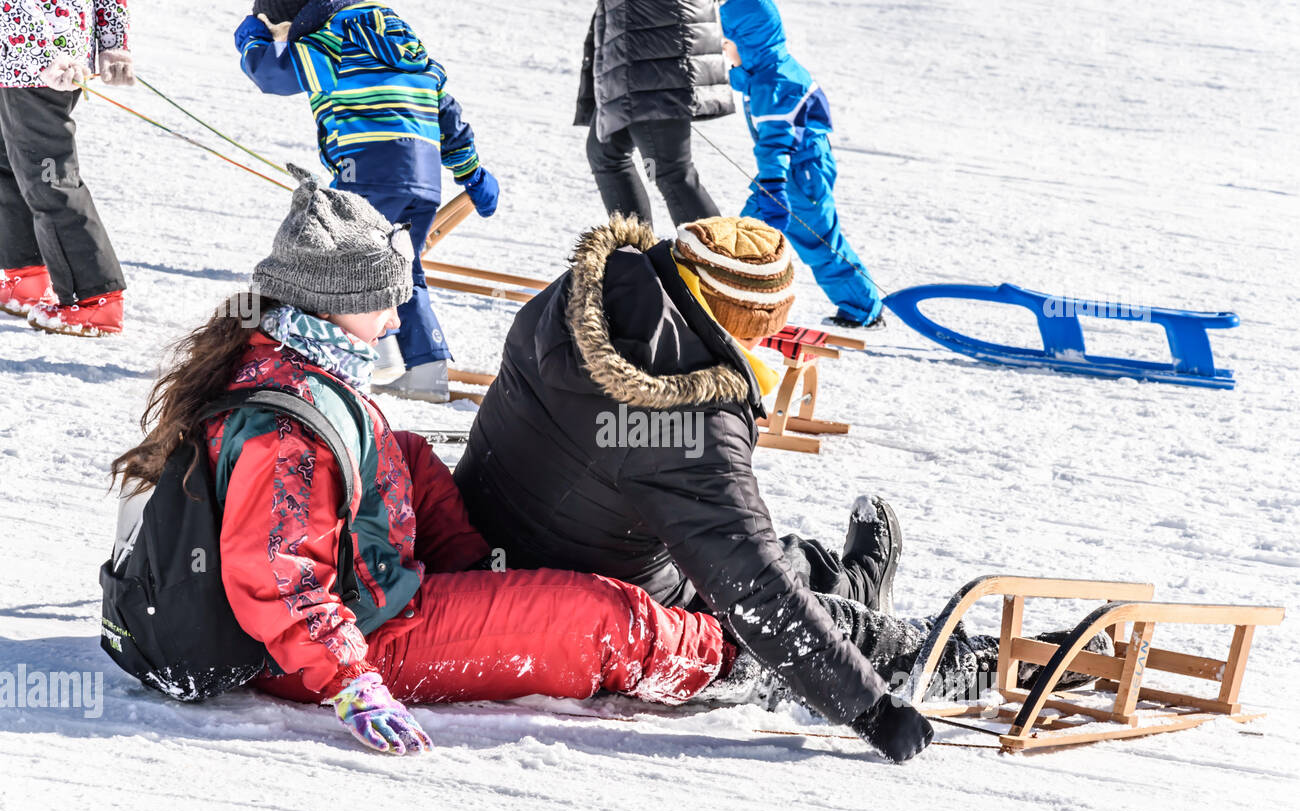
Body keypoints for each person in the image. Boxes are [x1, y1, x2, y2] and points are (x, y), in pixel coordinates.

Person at [107, 169, 768, 758]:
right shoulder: (285, 427)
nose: (396, 320)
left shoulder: (294, 359)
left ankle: (499, 583)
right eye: (381, 303)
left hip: (362, 600)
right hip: (340, 646)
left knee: (408, 454)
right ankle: (737, 663)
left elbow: (377, 479)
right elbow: (277, 573)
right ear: (329, 302)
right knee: (593, 617)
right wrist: (351, 684)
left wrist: (481, 572)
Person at [454, 215, 1113, 756]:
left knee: (760, 542)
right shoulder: (684, 421)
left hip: (506, 535)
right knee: (816, 616)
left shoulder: (578, 300)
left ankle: (851, 578)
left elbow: (715, 520)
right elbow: (754, 591)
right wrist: (871, 711)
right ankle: (1013, 663)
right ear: (749, 318)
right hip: (618, 600)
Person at [233, 0, 501, 403]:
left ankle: (375, 356)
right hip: (423, 179)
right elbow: (447, 114)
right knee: (401, 265)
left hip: (369, 168)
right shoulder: (406, 42)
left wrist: (253, 41)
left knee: (346, 265)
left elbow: (275, 74)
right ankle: (428, 371)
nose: (282, 45)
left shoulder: (333, 38)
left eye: (281, 36)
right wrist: (473, 174)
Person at [718, 0, 885, 329]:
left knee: (812, 241)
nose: (725, 50)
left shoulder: (773, 84)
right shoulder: (773, 69)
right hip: (801, 169)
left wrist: (773, 186)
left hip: (796, 175)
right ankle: (727, 298)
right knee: (752, 234)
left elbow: (775, 142)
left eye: (728, 42)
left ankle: (864, 308)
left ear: (749, 41)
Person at [0, 0, 133, 336]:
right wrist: (113, 42)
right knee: (11, 165)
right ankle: (26, 275)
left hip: (39, 59)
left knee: (49, 178)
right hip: (18, 56)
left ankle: (96, 297)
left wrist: (47, 51)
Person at [576, 0, 733, 228]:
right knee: (605, 154)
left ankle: (717, 258)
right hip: (634, 46)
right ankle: (636, 254)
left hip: (654, 49)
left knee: (671, 171)